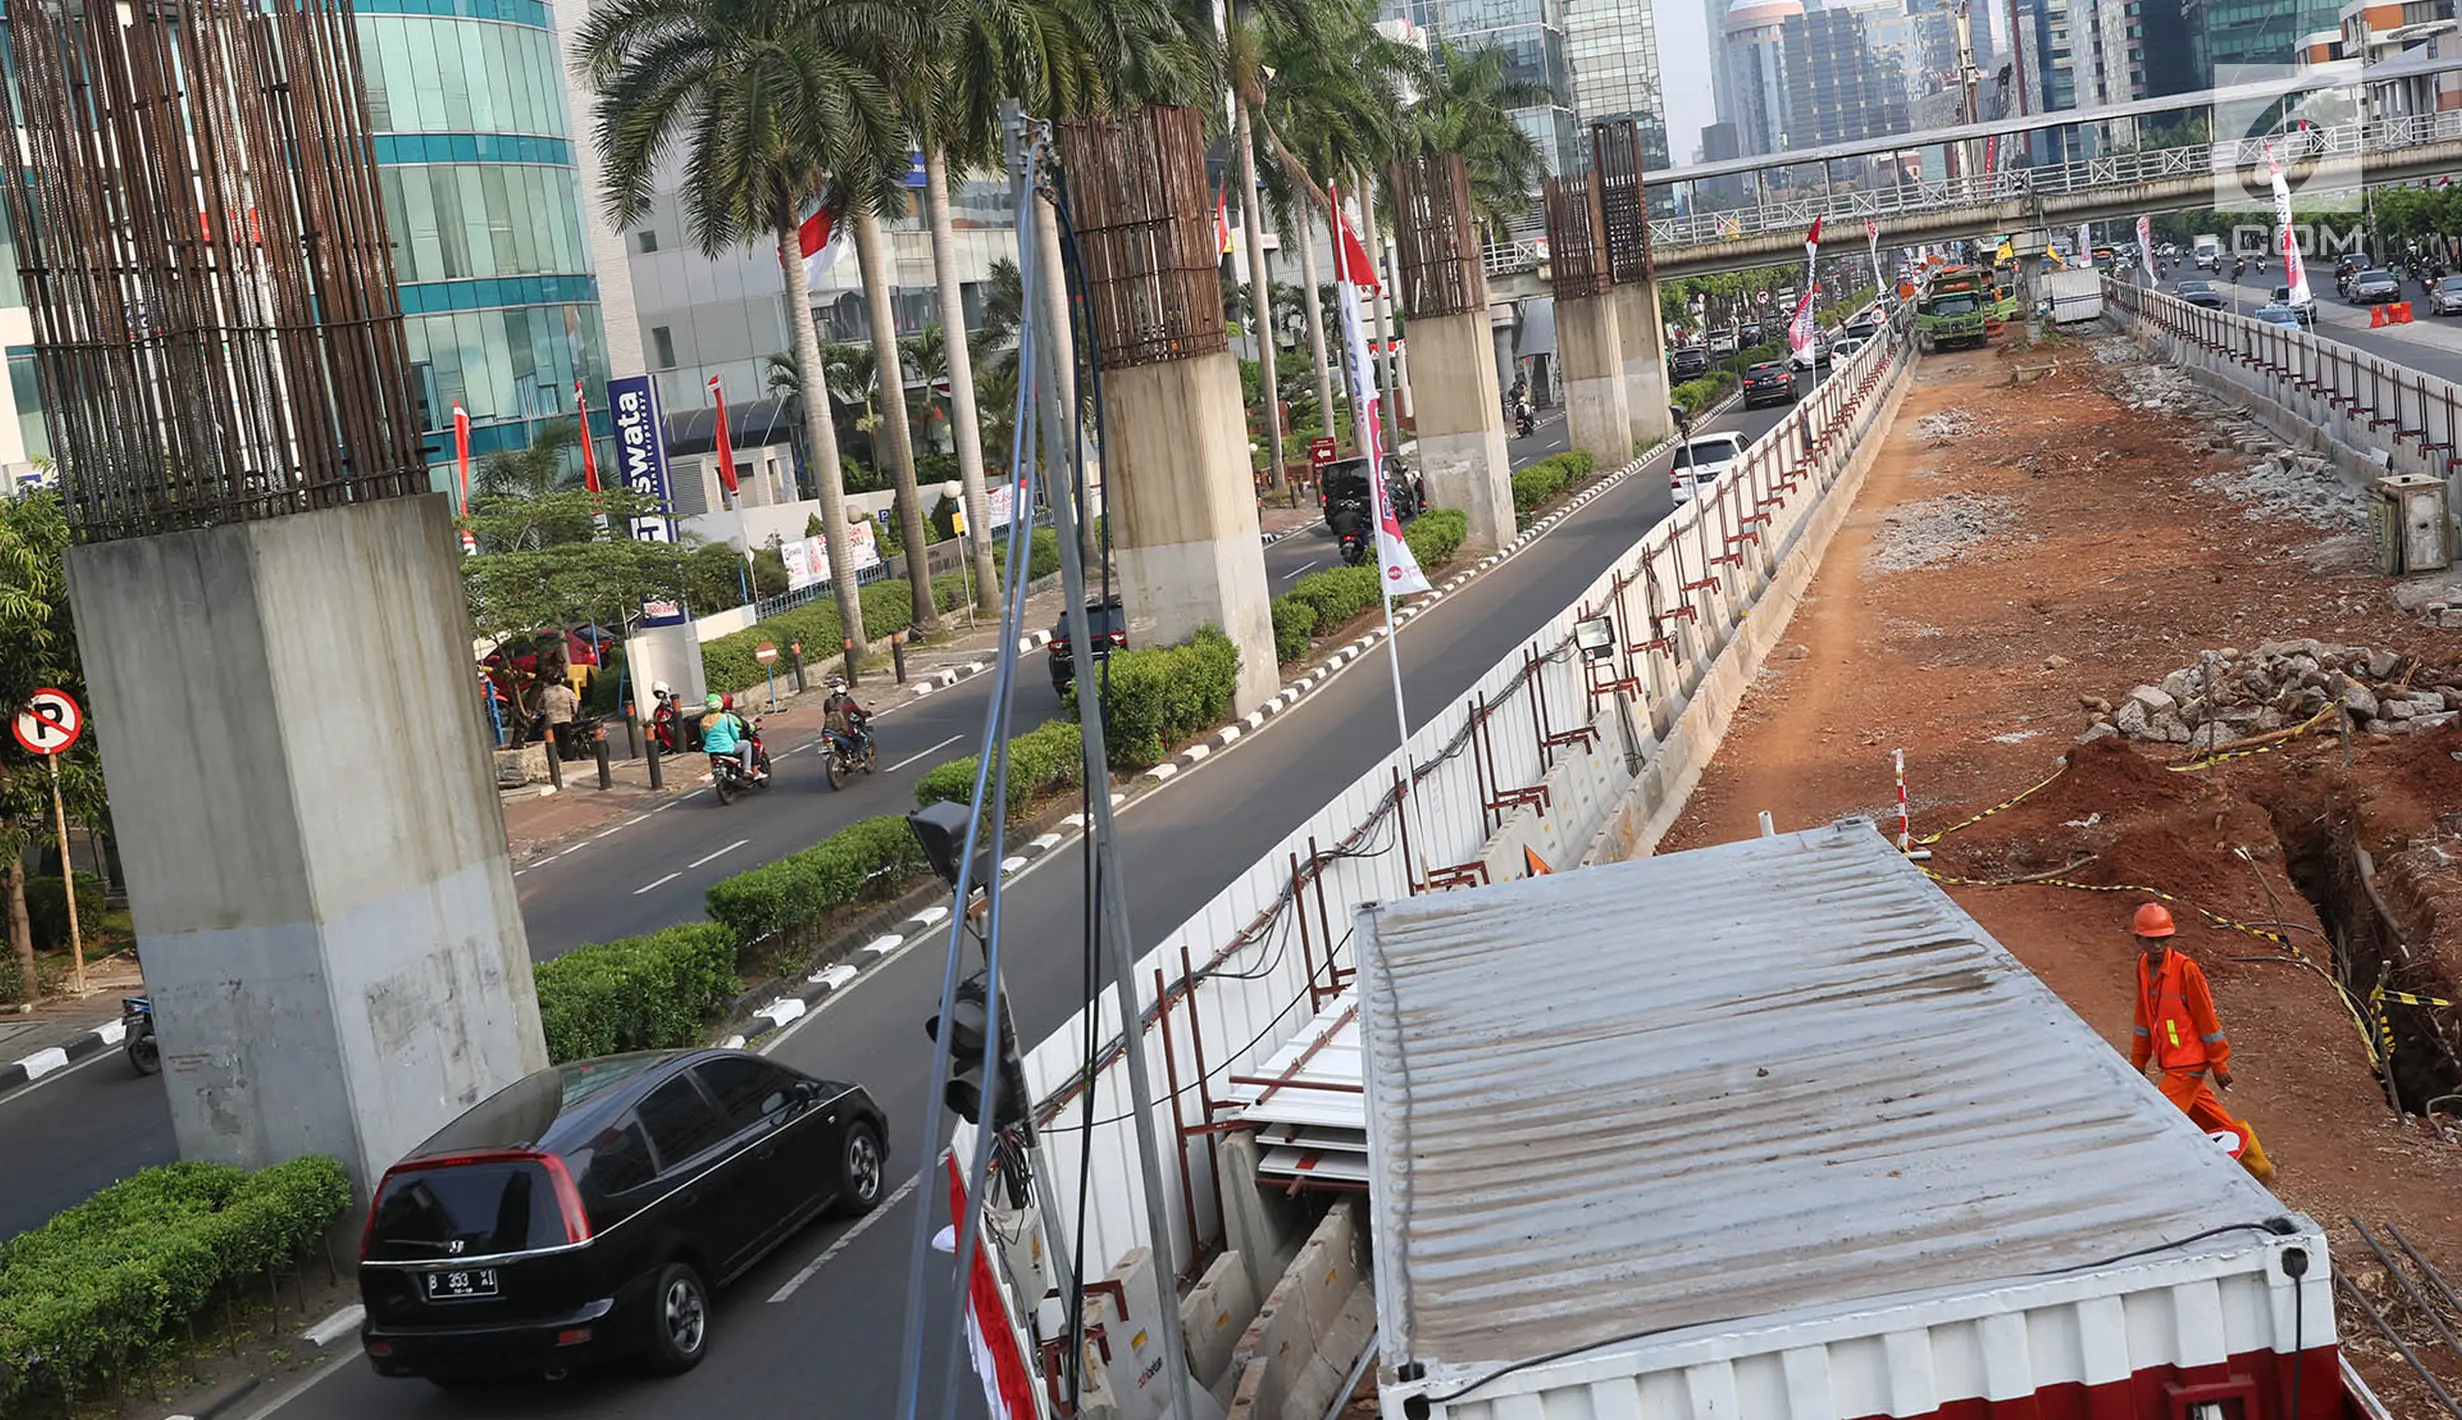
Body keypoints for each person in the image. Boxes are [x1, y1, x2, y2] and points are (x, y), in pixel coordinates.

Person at [2129, 903, 2274, 1182]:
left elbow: (2207, 1020)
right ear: (2139, 940)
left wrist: (2219, 1062)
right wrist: (2138, 1060)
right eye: (2151, 939)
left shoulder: (2186, 970)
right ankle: (2260, 1168)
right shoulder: (2143, 968)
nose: (2158, 945)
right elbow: (2143, 1018)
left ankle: (2160, 1179)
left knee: (2163, 1114)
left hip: (2189, 1062)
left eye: (2163, 939)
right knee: (2212, 1119)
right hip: (2171, 1062)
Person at [700, 693, 757, 778]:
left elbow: (704, 737)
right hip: (727, 748)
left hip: (711, 750)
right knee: (747, 744)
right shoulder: (726, 718)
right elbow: (735, 735)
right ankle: (747, 769)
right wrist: (735, 740)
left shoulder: (703, 721)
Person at [821, 677, 871, 757]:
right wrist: (867, 713)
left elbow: (827, 713)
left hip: (829, 730)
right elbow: (859, 712)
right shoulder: (847, 700)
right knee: (860, 738)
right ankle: (860, 756)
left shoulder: (827, 702)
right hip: (844, 730)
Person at [539, 675, 579, 757]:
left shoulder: (546, 693)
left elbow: (539, 705)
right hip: (566, 719)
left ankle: (557, 756)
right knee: (567, 740)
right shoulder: (567, 691)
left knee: (555, 740)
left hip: (552, 720)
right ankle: (568, 756)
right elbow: (574, 702)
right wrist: (574, 712)